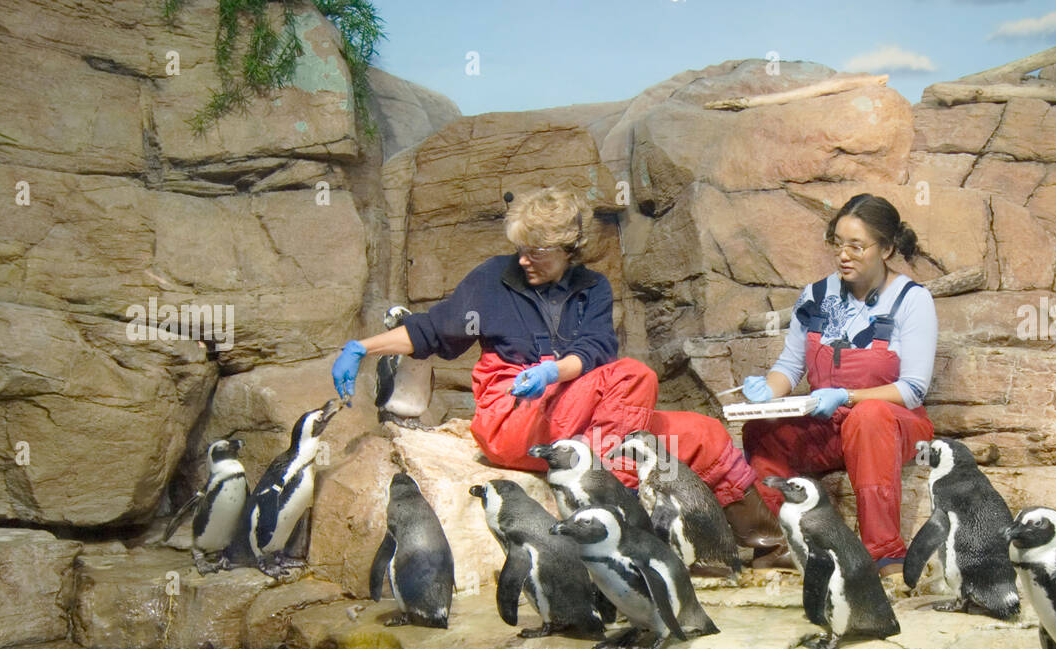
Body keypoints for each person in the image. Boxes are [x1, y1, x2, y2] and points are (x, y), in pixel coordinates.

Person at [331, 185, 782, 551]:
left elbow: (595, 348)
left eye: (538, 251)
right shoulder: (493, 278)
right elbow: (432, 330)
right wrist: (362, 347)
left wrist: (554, 372)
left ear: (570, 248)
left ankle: (764, 546)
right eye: (521, 248)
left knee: (704, 435)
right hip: (516, 416)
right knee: (636, 377)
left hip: (582, 417)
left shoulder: (593, 289)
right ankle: (618, 505)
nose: (524, 259)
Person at [740, 194, 942, 574]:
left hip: (893, 424)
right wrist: (768, 390)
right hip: (828, 424)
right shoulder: (816, 296)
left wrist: (847, 396)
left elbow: (913, 388)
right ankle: (776, 543)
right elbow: (789, 366)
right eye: (838, 244)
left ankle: (884, 552)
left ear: (886, 248)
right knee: (761, 431)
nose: (843, 255)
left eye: (856, 246)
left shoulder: (913, 301)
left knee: (868, 417)